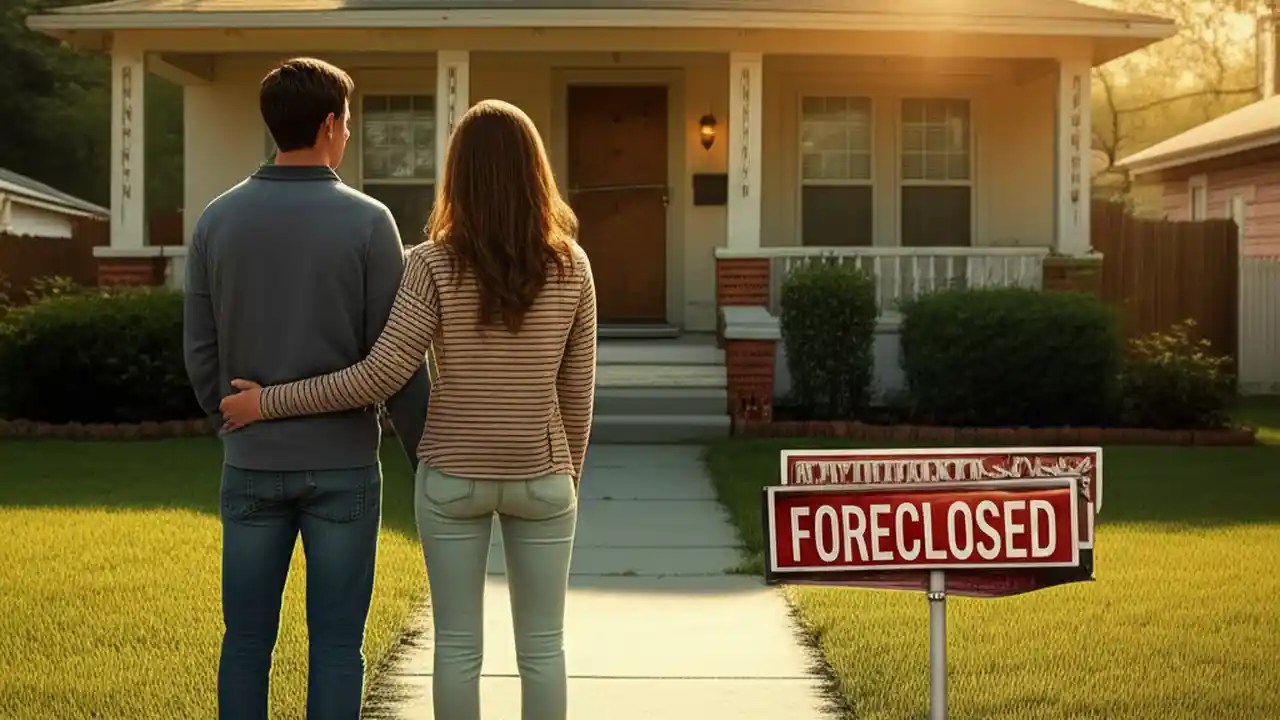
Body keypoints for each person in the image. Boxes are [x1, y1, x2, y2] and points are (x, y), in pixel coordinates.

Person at [219, 99, 598, 720]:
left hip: (451, 476)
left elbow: (381, 375)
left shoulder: (432, 263)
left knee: (457, 647)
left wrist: (268, 402)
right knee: (542, 648)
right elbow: (577, 392)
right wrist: (565, 479)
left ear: (459, 174)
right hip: (543, 475)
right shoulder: (571, 266)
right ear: (536, 171)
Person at [183, 57, 430, 720]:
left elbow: (200, 350)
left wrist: (231, 419)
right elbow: (398, 360)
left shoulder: (217, 219)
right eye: (346, 121)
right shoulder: (370, 222)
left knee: (245, 644)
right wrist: (427, 459)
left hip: (251, 463)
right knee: (338, 648)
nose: (347, 132)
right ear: (328, 125)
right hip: (343, 469)